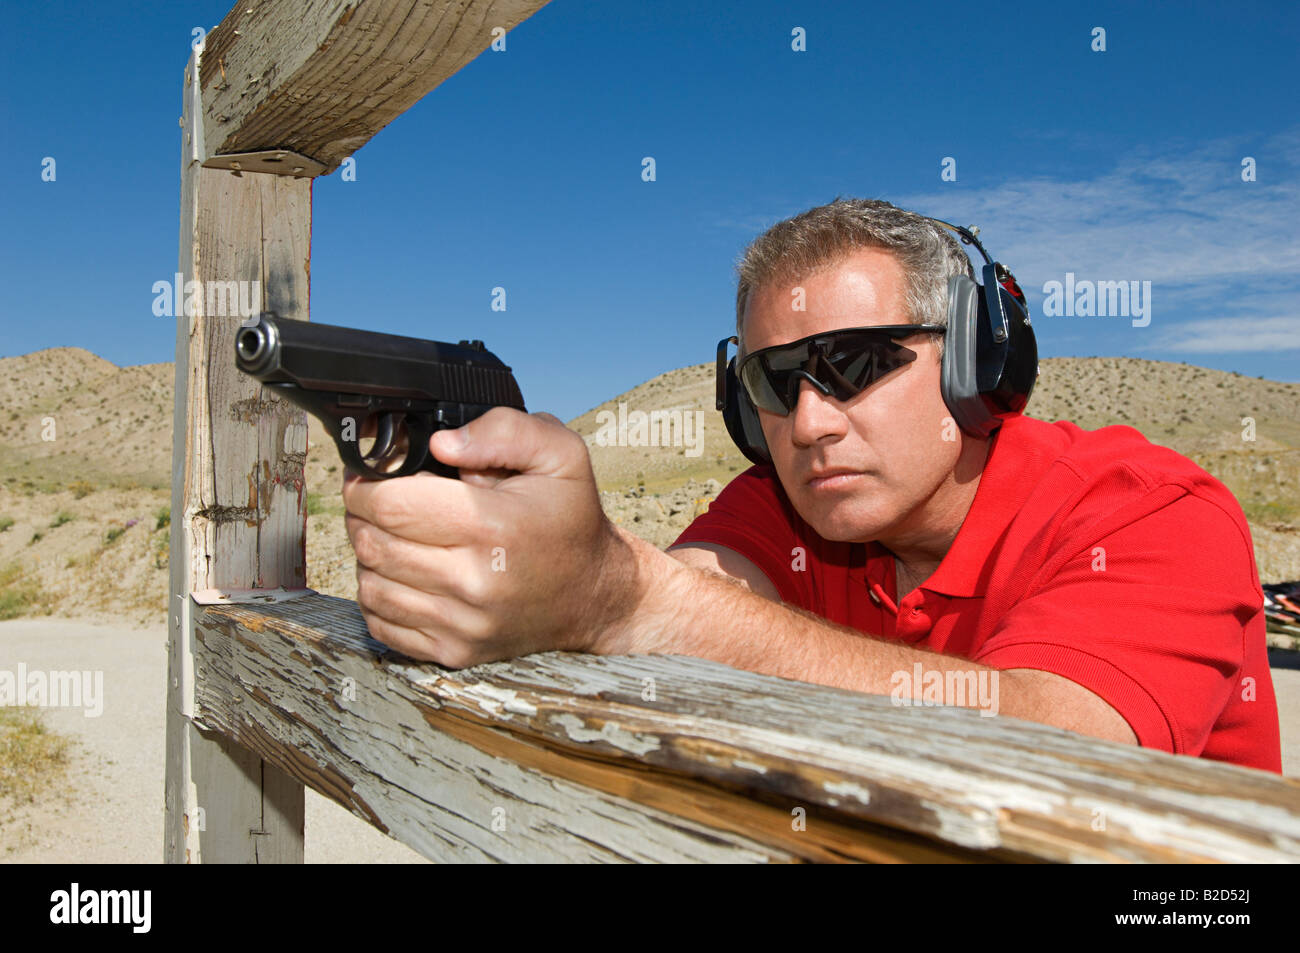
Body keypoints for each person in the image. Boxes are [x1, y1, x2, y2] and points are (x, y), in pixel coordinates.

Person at [341, 198, 1282, 774]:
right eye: (775, 382)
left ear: (975, 359)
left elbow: (1066, 750)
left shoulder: (1149, 510)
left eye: (857, 362)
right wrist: (518, 557)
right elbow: (696, 592)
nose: (811, 422)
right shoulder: (789, 502)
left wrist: (621, 597)